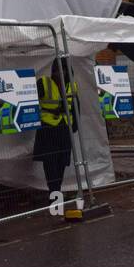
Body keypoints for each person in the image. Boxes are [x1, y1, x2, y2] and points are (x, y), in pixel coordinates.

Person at [33, 58, 78, 195]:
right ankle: (54, 192)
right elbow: (31, 103)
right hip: (48, 129)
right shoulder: (43, 83)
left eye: (64, 69)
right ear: (53, 71)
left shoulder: (72, 85)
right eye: (58, 70)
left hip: (65, 128)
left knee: (62, 162)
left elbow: (76, 106)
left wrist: (75, 123)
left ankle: (56, 190)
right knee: (50, 163)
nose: (61, 73)